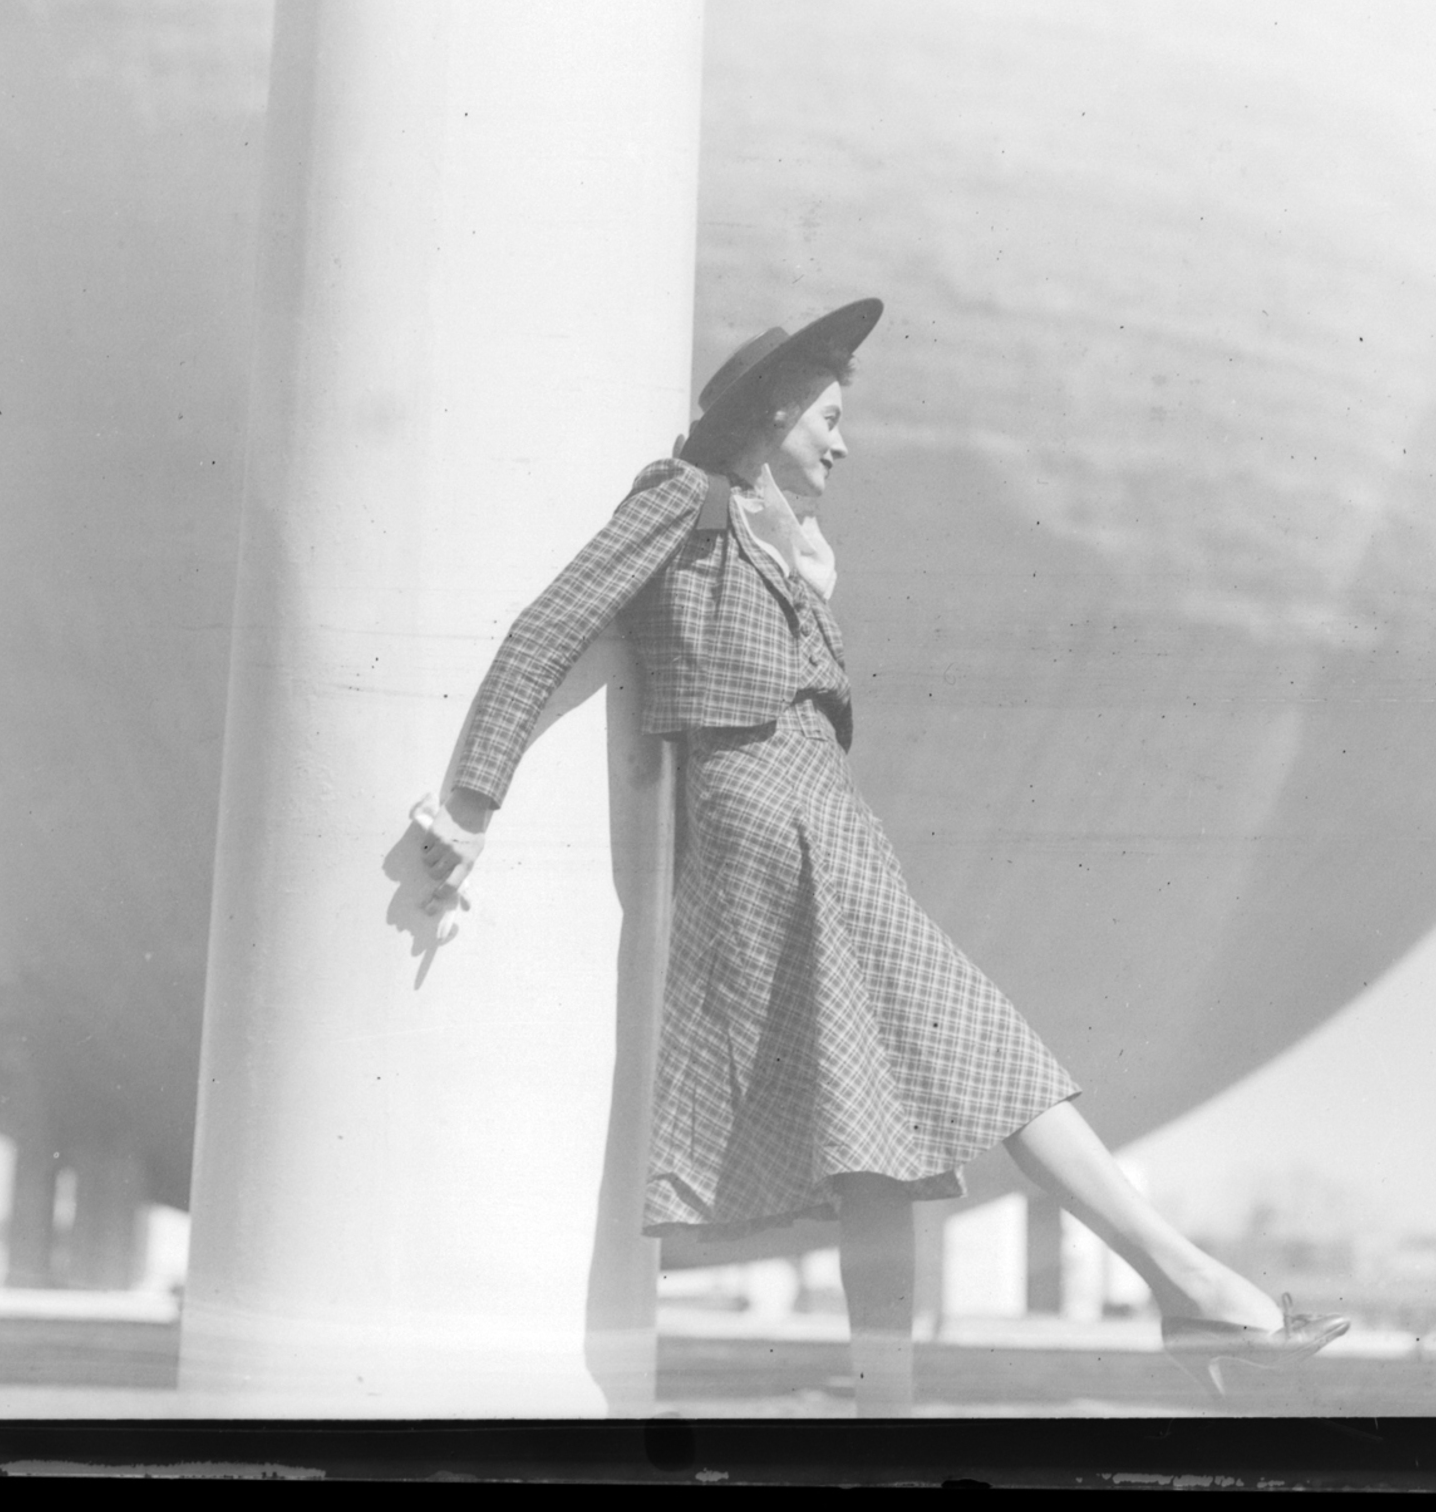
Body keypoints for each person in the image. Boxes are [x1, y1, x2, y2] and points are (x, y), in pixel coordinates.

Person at [416, 298, 1346, 1411]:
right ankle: (1186, 1281)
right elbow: (546, 627)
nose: (844, 444)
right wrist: (470, 800)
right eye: (829, 417)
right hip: (764, 828)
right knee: (983, 1047)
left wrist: (810, 587)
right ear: (769, 415)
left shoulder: (790, 543)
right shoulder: (680, 501)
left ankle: (886, 1405)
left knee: (879, 1127)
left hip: (832, 825)